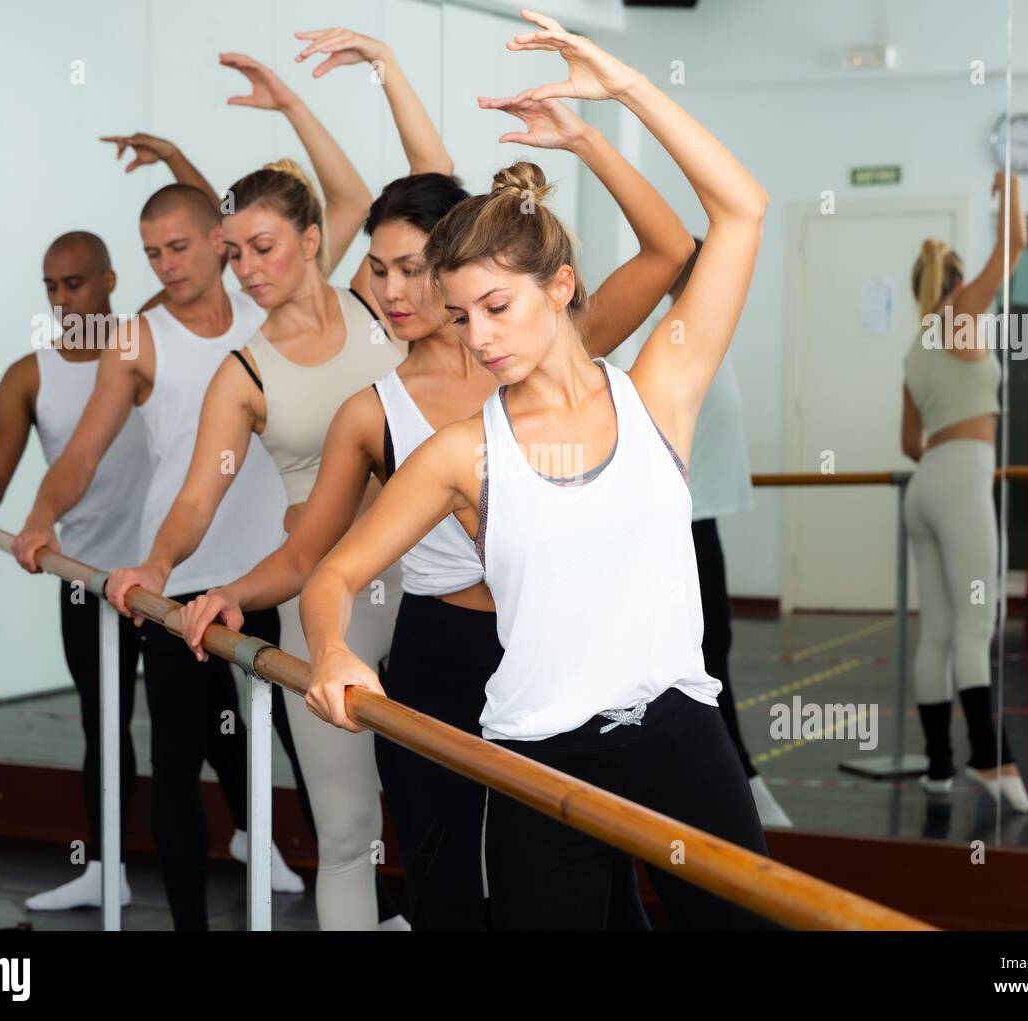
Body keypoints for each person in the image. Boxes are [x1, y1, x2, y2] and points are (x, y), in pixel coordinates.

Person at [176, 87, 694, 927]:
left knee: (597, 886)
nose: (389, 289)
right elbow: (315, 553)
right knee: (449, 885)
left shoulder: (548, 347)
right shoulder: (371, 409)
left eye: (411, 267)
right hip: (442, 653)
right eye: (375, 269)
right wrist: (240, 594)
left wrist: (590, 142)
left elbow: (670, 249)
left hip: (559, 645)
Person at [299, 12, 770, 929]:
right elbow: (336, 572)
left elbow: (741, 209)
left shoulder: (657, 392)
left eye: (497, 306)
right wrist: (332, 648)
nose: (478, 336)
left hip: (676, 727)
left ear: (559, 287)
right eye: (460, 314)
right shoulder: (461, 452)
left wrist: (617, 100)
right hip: (535, 753)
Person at [10, 61, 375, 925]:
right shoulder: (138, 337)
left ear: (219, 242)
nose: (169, 266)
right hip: (183, 582)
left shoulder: (269, 300)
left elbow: (314, 209)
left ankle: (351, 886)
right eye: (151, 255)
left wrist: (257, 116)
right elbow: (85, 452)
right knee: (175, 757)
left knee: (303, 738)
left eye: (181, 247)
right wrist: (39, 515)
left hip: (279, 573)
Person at [105, 32, 443, 931]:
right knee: (345, 831)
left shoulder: (382, 301)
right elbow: (195, 496)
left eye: (262, 248)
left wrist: (293, 100)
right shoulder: (243, 373)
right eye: (235, 253)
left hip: (444, 577)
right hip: (327, 593)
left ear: (311, 239)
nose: (247, 269)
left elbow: (394, 190)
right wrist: (155, 566)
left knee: (451, 813)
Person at [0, 232, 149, 910]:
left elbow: (210, 259)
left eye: (76, 283)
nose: (64, 299)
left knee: (215, 722)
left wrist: (178, 157)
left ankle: (255, 837)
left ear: (110, 280)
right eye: (52, 286)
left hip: (173, 576)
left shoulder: (148, 348)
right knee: (105, 719)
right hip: (86, 577)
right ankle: (106, 866)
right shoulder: (28, 374)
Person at [608, 238, 791, 827]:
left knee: (716, 647)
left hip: (697, 519)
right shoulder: (671, 339)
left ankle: (734, 777)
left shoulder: (709, 332)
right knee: (703, 655)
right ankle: (737, 781)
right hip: (674, 527)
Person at [900, 172, 1028, 813]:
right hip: (960, 480)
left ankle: (938, 769)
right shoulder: (960, 316)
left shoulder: (914, 349)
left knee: (940, 633)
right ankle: (990, 757)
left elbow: (909, 441)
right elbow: (1013, 248)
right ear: (956, 283)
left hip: (925, 490)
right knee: (978, 625)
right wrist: (1009, 183)